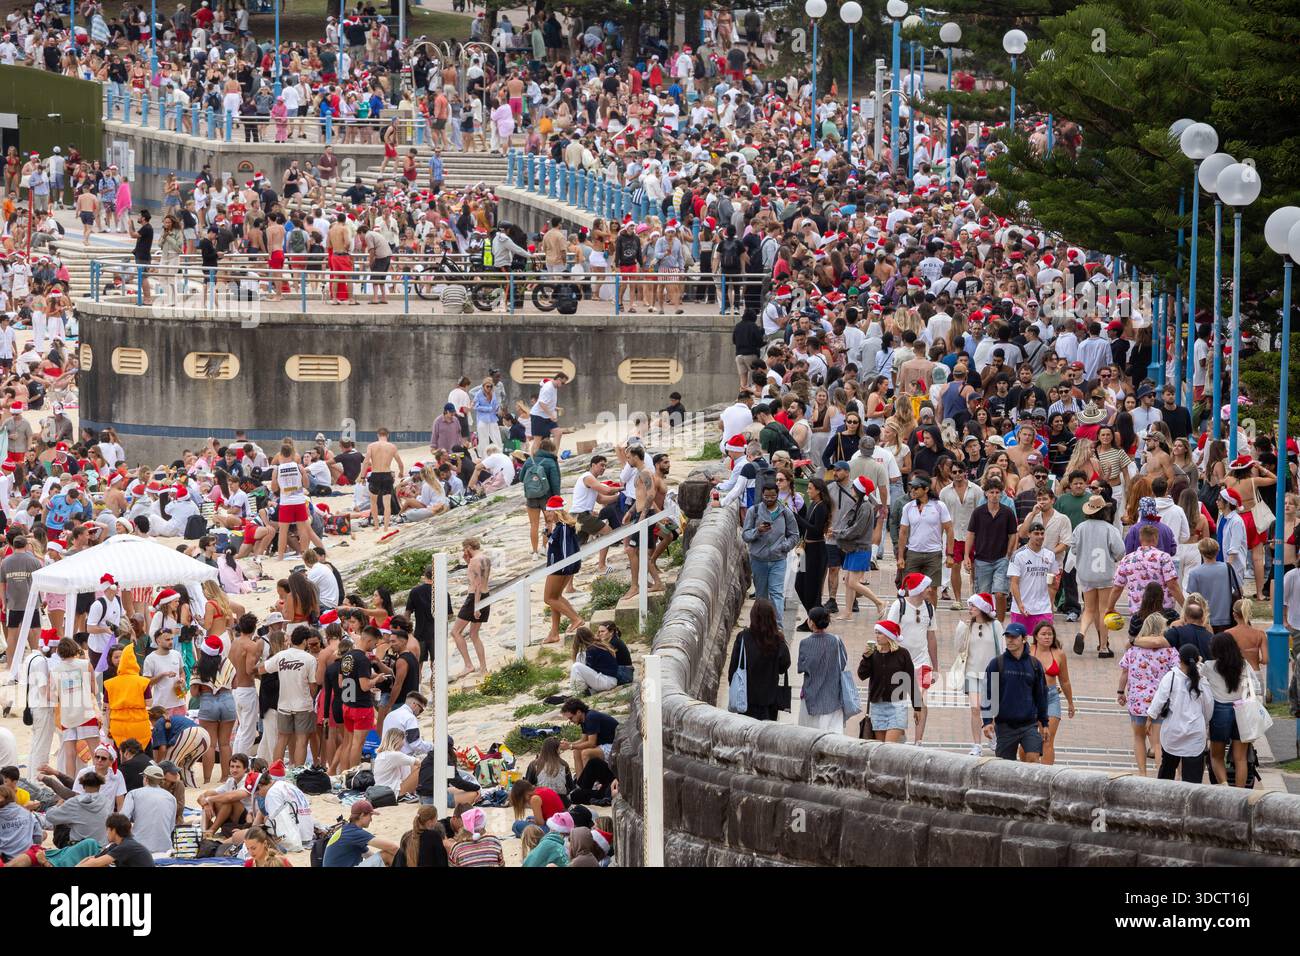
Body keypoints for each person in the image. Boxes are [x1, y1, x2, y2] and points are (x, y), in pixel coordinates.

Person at [1118, 613, 1180, 777]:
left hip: (1137, 701)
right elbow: (1177, 673)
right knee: (1158, 742)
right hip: (1160, 702)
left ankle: (1142, 774)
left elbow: (1125, 672)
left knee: (1138, 738)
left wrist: (1120, 692)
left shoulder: (1133, 651)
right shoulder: (1170, 652)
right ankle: (1160, 775)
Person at [1146, 643, 1213, 783]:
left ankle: (1162, 799)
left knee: (1167, 771)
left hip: (1172, 731)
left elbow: (1159, 700)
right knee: (1193, 779)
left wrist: (1149, 719)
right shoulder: (1203, 681)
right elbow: (1208, 707)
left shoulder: (1170, 677)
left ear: (1179, 659)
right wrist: (1204, 723)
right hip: (1195, 734)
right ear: (1198, 659)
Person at [981, 622, 1049, 762]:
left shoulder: (1034, 665)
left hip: (1029, 725)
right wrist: (987, 721)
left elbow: (1041, 695)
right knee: (1004, 768)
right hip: (1005, 726)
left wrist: (1044, 723)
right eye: (1007, 637)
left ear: (1024, 639)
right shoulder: (997, 663)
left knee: (1032, 759)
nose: (1010, 640)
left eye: (1014, 637)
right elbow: (988, 693)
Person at [1070, 494, 1126, 657]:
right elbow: (1120, 551)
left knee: (1088, 609)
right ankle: (1103, 647)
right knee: (1103, 610)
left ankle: (1081, 633)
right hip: (1105, 575)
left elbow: (1073, 549)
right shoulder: (1110, 529)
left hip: (1086, 573)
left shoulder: (1080, 528)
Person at [1204, 632, 1259, 788]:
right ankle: (1239, 793)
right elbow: (1255, 686)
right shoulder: (1244, 665)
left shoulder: (1209, 666)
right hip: (1242, 710)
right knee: (1240, 758)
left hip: (1220, 711)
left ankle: (1225, 785)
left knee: (1216, 756)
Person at [952, 593, 1004, 755]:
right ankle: (977, 745)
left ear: (982, 608)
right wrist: (961, 629)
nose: (970, 609)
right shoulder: (968, 626)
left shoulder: (996, 625)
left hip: (992, 674)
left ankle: (993, 737)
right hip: (972, 673)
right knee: (975, 708)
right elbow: (959, 648)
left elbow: (1002, 649)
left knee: (991, 710)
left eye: (973, 606)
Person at [743, 481, 802, 622]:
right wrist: (758, 531)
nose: (769, 499)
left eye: (772, 496)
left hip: (778, 560)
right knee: (761, 596)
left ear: (777, 495)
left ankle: (778, 626)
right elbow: (745, 535)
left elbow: (795, 535)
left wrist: (784, 546)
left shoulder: (785, 512)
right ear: (762, 495)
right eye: (766, 496)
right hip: (759, 560)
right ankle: (760, 625)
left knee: (776, 594)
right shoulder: (754, 511)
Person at [726, 598, 792, 720]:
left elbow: (733, 667)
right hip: (770, 698)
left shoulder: (743, 637)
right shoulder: (777, 640)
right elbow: (785, 664)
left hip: (746, 698)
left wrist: (733, 684)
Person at [857, 619, 919, 742]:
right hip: (877, 706)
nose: (877, 636)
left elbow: (910, 680)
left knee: (890, 746)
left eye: (880, 633)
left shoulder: (903, 654)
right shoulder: (873, 654)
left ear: (889, 636)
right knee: (881, 750)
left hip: (897, 706)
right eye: (876, 633)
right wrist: (866, 658)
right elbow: (861, 675)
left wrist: (917, 706)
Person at [796, 606, 855, 732]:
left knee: (809, 736)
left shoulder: (805, 643)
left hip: (811, 698)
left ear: (811, 622)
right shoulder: (836, 641)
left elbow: (801, 668)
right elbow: (843, 663)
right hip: (834, 697)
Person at [542, 498, 585, 646]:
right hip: (558, 566)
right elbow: (555, 546)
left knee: (549, 598)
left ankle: (575, 619)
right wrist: (548, 533)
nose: (546, 514)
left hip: (559, 567)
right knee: (556, 597)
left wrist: (566, 569)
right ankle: (554, 633)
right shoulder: (560, 526)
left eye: (548, 511)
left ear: (555, 511)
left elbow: (567, 550)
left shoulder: (564, 527)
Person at [1007, 522, 1060, 634]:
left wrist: (1050, 603)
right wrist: (1020, 604)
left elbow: (1053, 581)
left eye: (1042, 533)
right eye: (1036, 533)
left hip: (1043, 608)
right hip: (1021, 608)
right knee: (1020, 642)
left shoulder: (1050, 555)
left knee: (1044, 641)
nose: (1040, 536)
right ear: (1029, 534)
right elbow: (1014, 583)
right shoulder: (1018, 555)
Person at [450, 537, 491, 680]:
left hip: (475, 598)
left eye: (464, 549)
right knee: (474, 634)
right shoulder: (485, 558)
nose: (463, 552)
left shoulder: (474, 561)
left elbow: (477, 584)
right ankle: (483, 667)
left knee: (455, 631)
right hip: (486, 595)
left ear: (468, 548)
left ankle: (468, 664)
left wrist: (476, 606)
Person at [120, 764, 177, 854]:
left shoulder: (134, 794)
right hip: (165, 847)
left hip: (139, 847)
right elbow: (171, 825)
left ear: (145, 778)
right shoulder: (171, 798)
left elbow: (122, 820)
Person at [323, 799, 398, 867]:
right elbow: (393, 847)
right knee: (387, 855)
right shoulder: (354, 833)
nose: (371, 819)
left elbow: (369, 855)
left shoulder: (347, 830)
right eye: (370, 815)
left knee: (384, 860)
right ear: (362, 815)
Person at [558, 698, 617, 777]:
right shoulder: (584, 719)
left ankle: (590, 784)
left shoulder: (591, 717)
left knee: (586, 753)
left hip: (615, 746)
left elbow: (591, 743)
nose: (570, 721)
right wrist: (569, 744)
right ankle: (580, 783)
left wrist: (570, 746)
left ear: (578, 712)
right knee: (576, 751)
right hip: (605, 744)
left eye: (571, 718)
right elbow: (584, 740)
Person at [74, 813, 154, 868]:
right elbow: (92, 859)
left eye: (108, 829)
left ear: (113, 830)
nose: (107, 833)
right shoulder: (116, 845)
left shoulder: (127, 845)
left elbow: (96, 862)